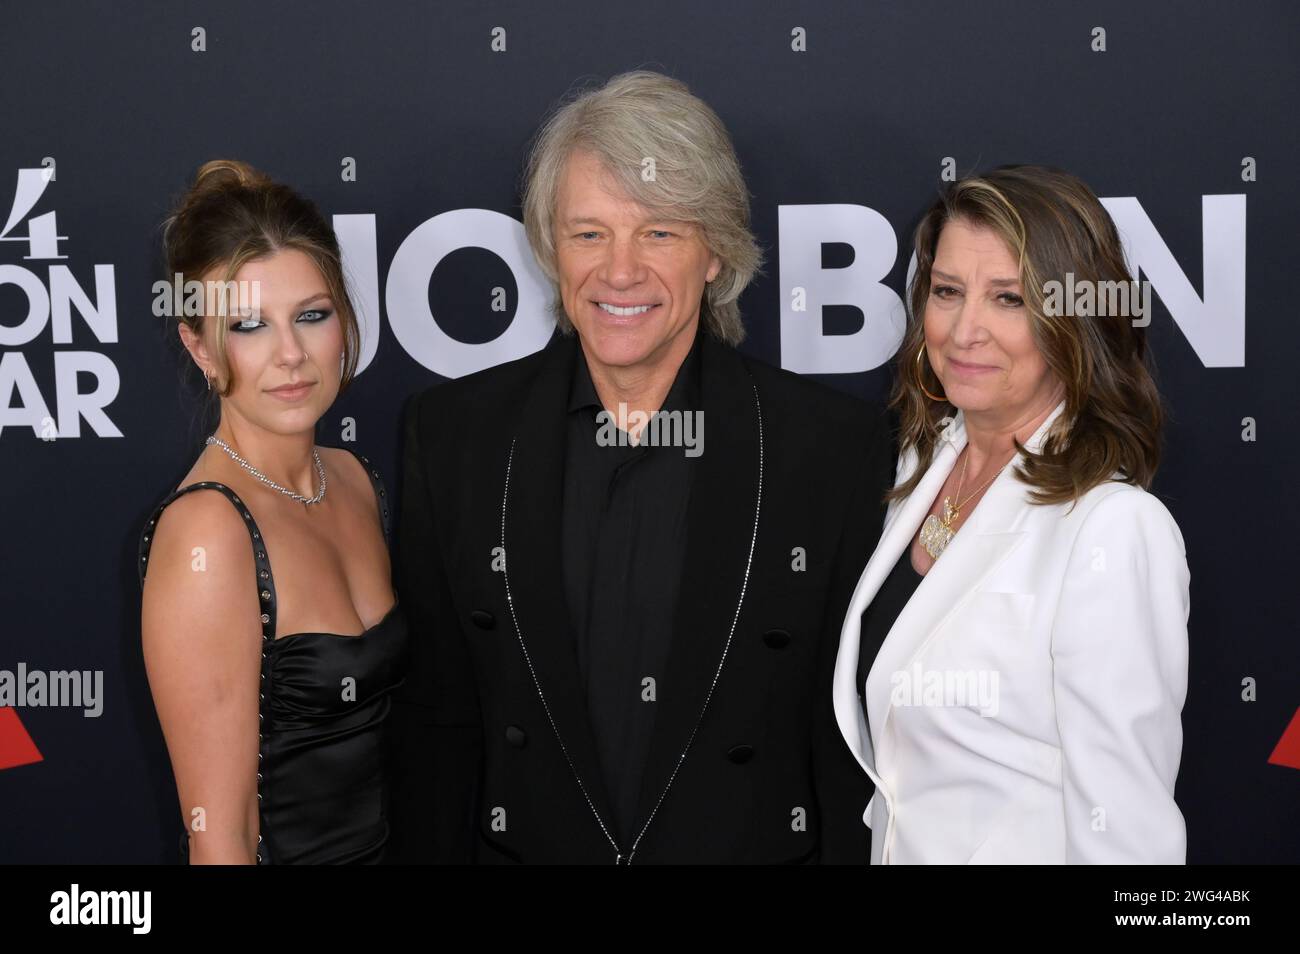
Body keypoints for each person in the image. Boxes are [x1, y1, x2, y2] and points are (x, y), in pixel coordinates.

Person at [387, 70, 894, 864]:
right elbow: (438, 729)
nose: (619, 272)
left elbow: (846, 745)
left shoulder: (829, 451)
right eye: (589, 234)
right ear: (552, 251)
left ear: (717, 255)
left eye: (659, 232)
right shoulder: (455, 440)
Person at [833, 165, 1190, 864]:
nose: (966, 331)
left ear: (1073, 321)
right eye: (947, 292)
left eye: (1009, 299)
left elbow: (1127, 838)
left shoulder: (1113, 529)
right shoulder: (915, 468)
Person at [139, 159, 408, 864]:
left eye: (312, 316)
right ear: (199, 346)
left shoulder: (355, 479)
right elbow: (220, 839)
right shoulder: (208, 533)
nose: (291, 355)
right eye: (250, 326)